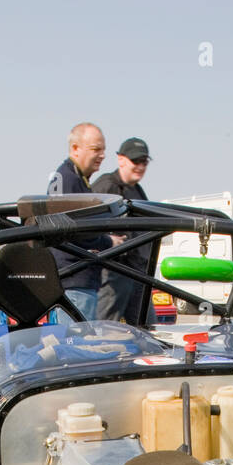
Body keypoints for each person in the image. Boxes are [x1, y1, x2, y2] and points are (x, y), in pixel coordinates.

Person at [47, 123, 113, 320]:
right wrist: (109, 241)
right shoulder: (68, 180)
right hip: (74, 282)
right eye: (96, 149)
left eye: (103, 150)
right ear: (75, 148)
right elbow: (69, 230)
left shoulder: (75, 179)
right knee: (75, 346)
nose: (102, 155)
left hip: (79, 281)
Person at [92, 137, 154, 325]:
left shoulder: (139, 192)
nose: (140, 166)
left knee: (148, 328)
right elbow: (87, 225)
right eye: (135, 161)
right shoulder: (106, 186)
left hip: (138, 272)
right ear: (121, 159)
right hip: (114, 269)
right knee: (105, 327)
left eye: (144, 162)